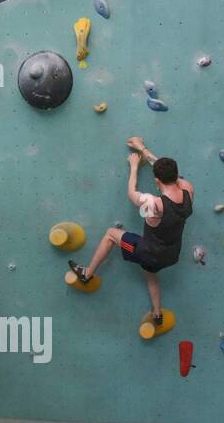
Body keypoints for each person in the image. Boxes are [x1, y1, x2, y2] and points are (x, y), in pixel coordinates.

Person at [69, 136, 193, 324]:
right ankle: (157, 313)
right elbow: (169, 175)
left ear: (157, 181)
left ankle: (87, 274)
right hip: (171, 254)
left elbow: (131, 193)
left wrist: (134, 166)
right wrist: (142, 149)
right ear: (176, 176)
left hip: (148, 252)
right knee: (150, 273)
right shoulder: (188, 191)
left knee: (111, 234)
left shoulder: (154, 205)